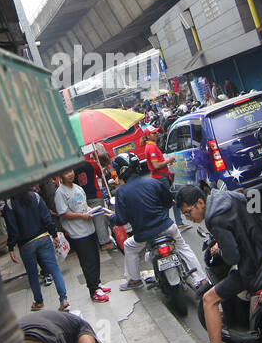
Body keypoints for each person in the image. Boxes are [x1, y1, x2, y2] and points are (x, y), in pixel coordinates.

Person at [176, 186, 262, 343]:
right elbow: (248, 207)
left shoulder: (214, 219)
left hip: (256, 267)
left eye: (188, 212)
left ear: (200, 203)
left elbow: (232, 257)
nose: (188, 218)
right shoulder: (226, 196)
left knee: (209, 299)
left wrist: (221, 248)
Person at [110, 154, 203, 291]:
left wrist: (111, 217)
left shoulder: (121, 192)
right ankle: (201, 279)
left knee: (129, 246)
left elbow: (121, 220)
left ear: (121, 171)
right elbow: (168, 202)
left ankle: (134, 280)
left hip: (143, 236)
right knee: (183, 247)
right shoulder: (153, 182)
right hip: (167, 228)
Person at [3, 189, 70, 311]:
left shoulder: (10, 204)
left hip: (26, 244)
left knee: (32, 274)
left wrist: (11, 247)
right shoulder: (35, 197)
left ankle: (39, 302)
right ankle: (63, 299)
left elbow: (12, 229)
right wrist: (54, 234)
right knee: (54, 269)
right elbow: (46, 218)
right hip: (43, 238)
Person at [56, 169, 110, 302]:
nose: (70, 174)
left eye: (71, 171)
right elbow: (63, 213)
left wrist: (95, 211)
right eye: (66, 173)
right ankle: (93, 290)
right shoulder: (60, 193)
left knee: (95, 258)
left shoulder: (78, 188)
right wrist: (81, 216)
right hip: (78, 233)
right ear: (61, 176)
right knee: (87, 262)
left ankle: (97, 284)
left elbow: (84, 206)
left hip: (89, 228)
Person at [140, 126, 180, 228]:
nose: (156, 134)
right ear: (148, 136)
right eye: (153, 133)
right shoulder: (151, 147)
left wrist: (167, 162)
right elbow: (156, 165)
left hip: (161, 177)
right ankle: (168, 225)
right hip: (161, 179)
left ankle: (177, 223)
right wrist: (169, 160)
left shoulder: (151, 146)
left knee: (171, 200)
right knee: (168, 202)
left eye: (156, 133)